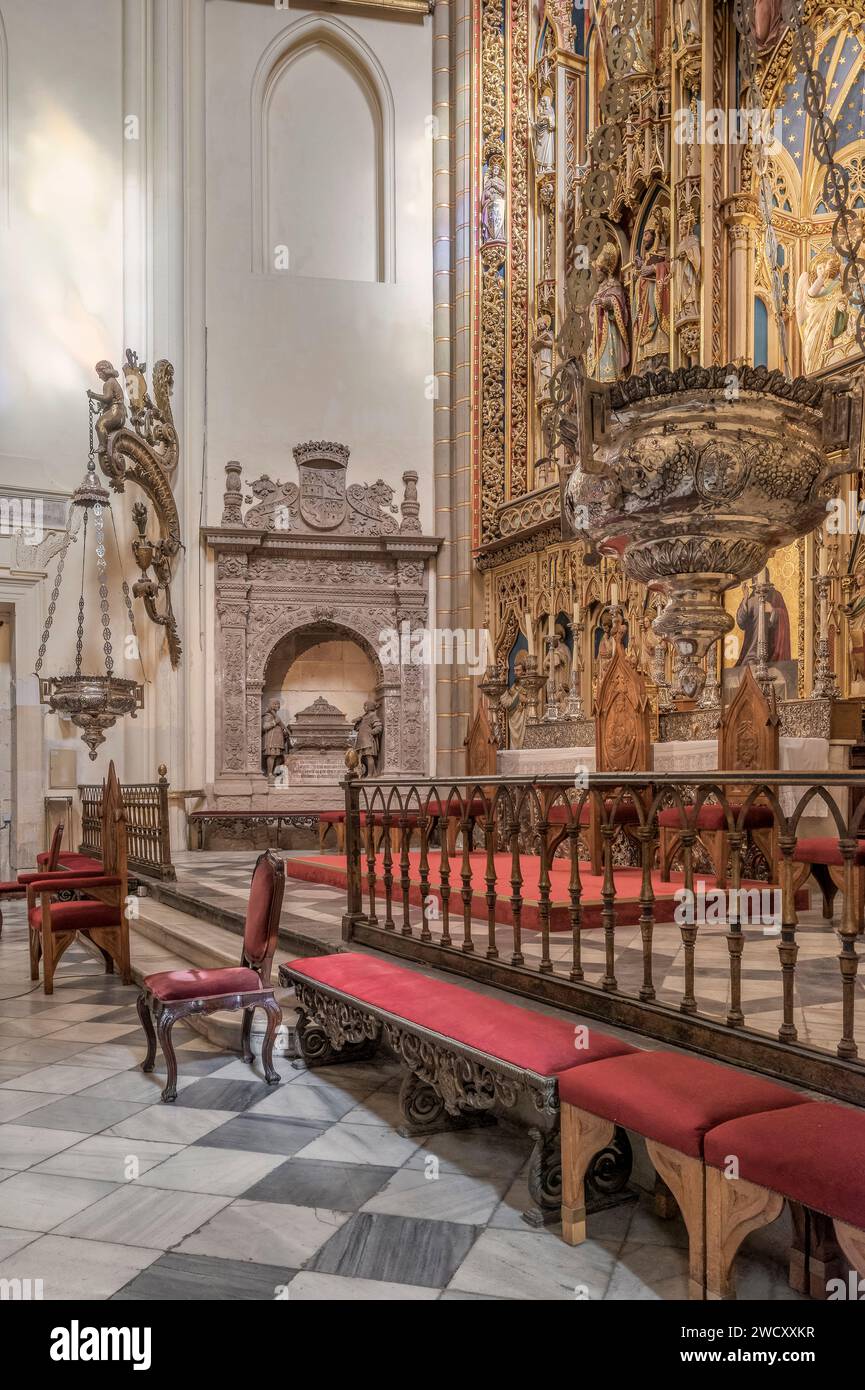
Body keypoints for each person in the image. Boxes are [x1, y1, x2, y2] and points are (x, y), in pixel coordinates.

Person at [735, 578, 791, 665]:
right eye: (756, 579)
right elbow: (741, 622)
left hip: (772, 649)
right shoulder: (752, 599)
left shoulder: (776, 596)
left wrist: (773, 611)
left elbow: (784, 616)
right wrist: (745, 597)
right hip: (752, 651)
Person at [353, 698, 383, 778]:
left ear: (369, 706)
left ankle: (370, 774)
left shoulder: (373, 716)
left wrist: (370, 733)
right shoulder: (364, 717)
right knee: (363, 758)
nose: (364, 707)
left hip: (368, 741)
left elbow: (379, 727)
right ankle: (367, 773)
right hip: (362, 741)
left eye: (365, 706)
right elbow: (356, 728)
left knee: (369, 756)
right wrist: (358, 721)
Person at [261, 699, 288, 778]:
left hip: (278, 738)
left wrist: (284, 732)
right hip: (271, 738)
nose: (277, 706)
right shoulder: (268, 715)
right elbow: (264, 727)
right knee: (272, 755)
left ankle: (275, 772)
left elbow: (280, 727)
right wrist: (275, 722)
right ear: (271, 705)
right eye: (275, 704)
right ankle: (269, 773)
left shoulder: (276, 716)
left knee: (279, 756)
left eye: (278, 704)